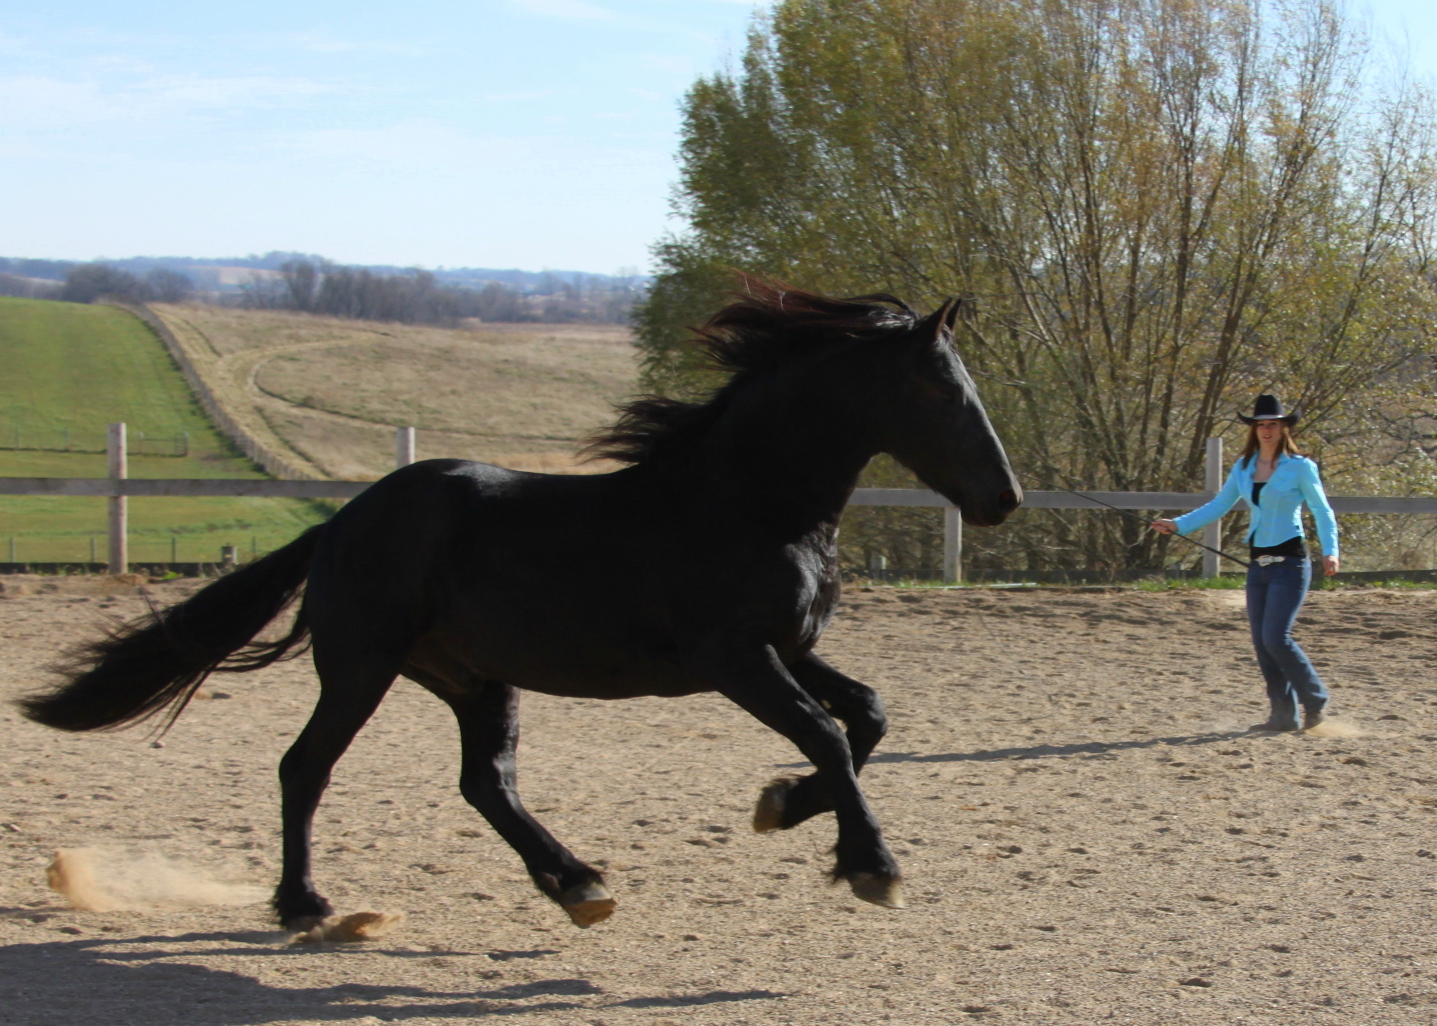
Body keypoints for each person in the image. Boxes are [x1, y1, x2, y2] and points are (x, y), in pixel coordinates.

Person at [1152, 394, 1339, 732]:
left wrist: (1331, 550)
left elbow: (1322, 510)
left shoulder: (1300, 467)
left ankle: (1315, 700)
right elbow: (1219, 505)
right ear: (1254, 429)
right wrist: (1178, 525)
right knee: (1263, 644)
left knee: (1276, 638)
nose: (1266, 430)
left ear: (1283, 428)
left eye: (1273, 424)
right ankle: (1283, 716)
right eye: (1261, 424)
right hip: (1258, 566)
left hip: (1291, 564)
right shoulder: (1243, 467)